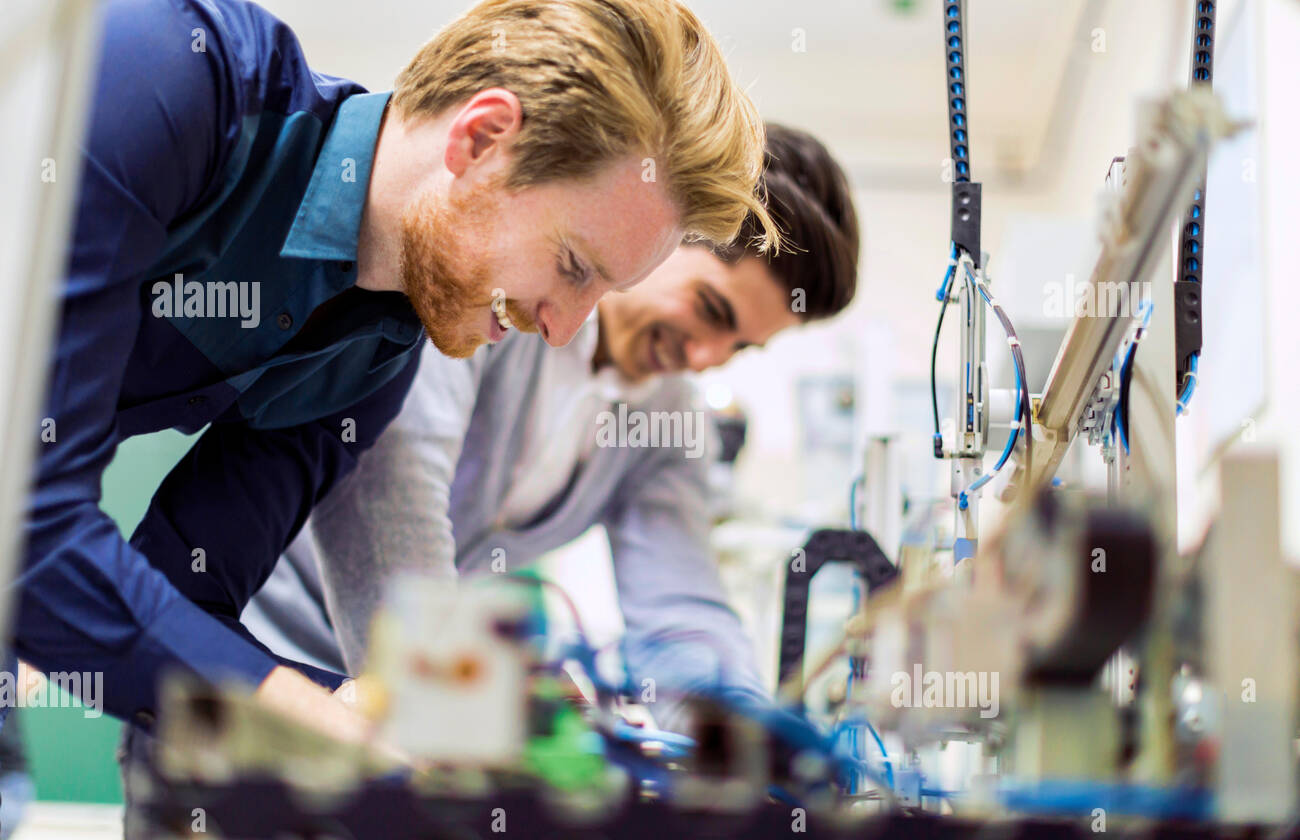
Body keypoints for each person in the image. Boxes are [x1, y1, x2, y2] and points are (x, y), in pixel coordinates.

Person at [6, 0, 777, 743]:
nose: (562, 328)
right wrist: (327, 724)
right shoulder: (170, 74)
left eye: (606, 291)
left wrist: (387, 717)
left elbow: (186, 599)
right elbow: (29, 536)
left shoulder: (371, 359)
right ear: (481, 140)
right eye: (573, 266)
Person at [246, 124, 860, 729]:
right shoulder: (505, 297)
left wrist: (743, 746)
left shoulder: (670, 423)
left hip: (405, 699)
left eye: (740, 347)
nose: (706, 358)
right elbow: (393, 493)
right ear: (665, 234)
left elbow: (680, 611)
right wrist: (459, 704)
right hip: (265, 659)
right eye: (710, 311)